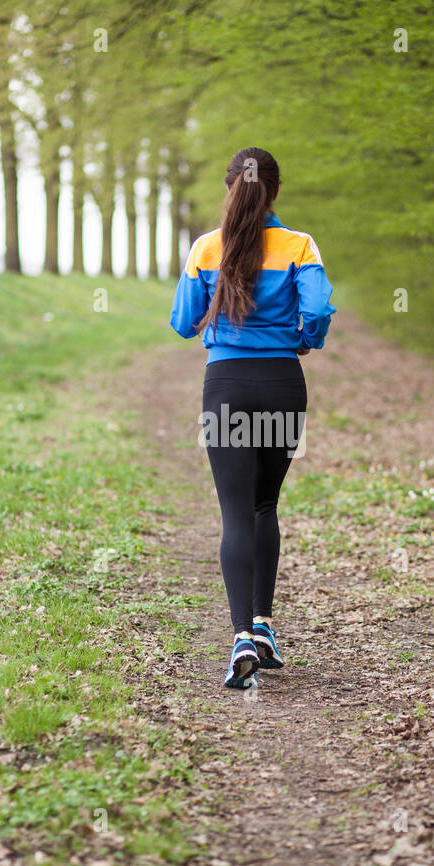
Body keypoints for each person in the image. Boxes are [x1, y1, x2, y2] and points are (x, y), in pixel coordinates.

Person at [169, 146, 336, 689]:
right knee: (266, 504)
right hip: (282, 385)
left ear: (230, 189)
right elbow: (316, 312)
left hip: (227, 386)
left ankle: (243, 633)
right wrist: (303, 340)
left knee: (236, 511)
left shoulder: (206, 247)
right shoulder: (300, 245)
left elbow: (182, 321)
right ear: (276, 191)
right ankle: (262, 626)